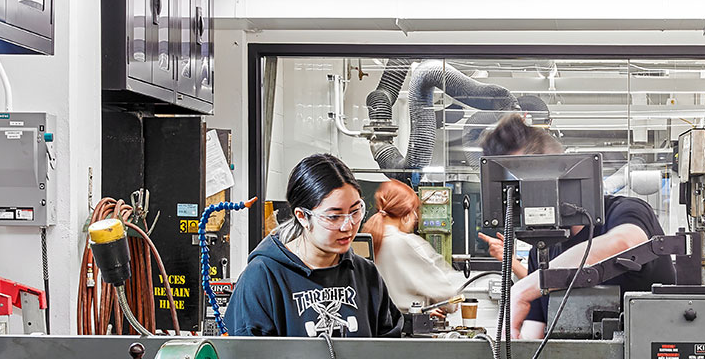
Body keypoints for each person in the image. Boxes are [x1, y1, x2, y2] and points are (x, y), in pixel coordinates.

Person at [479, 114, 667, 338]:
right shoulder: (540, 253)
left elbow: (625, 242)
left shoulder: (627, 211)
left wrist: (524, 288)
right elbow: (533, 333)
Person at [226, 153, 402, 338]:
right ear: (302, 216)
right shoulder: (263, 276)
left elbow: (388, 352)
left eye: (355, 211)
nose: (348, 225)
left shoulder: (366, 275)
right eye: (334, 216)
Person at [361, 179, 522, 332]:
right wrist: (440, 304)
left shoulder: (366, 241)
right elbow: (447, 295)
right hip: (403, 334)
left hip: (373, 330)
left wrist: (424, 309)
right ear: (406, 213)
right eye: (415, 211)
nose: (416, 218)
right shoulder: (408, 243)